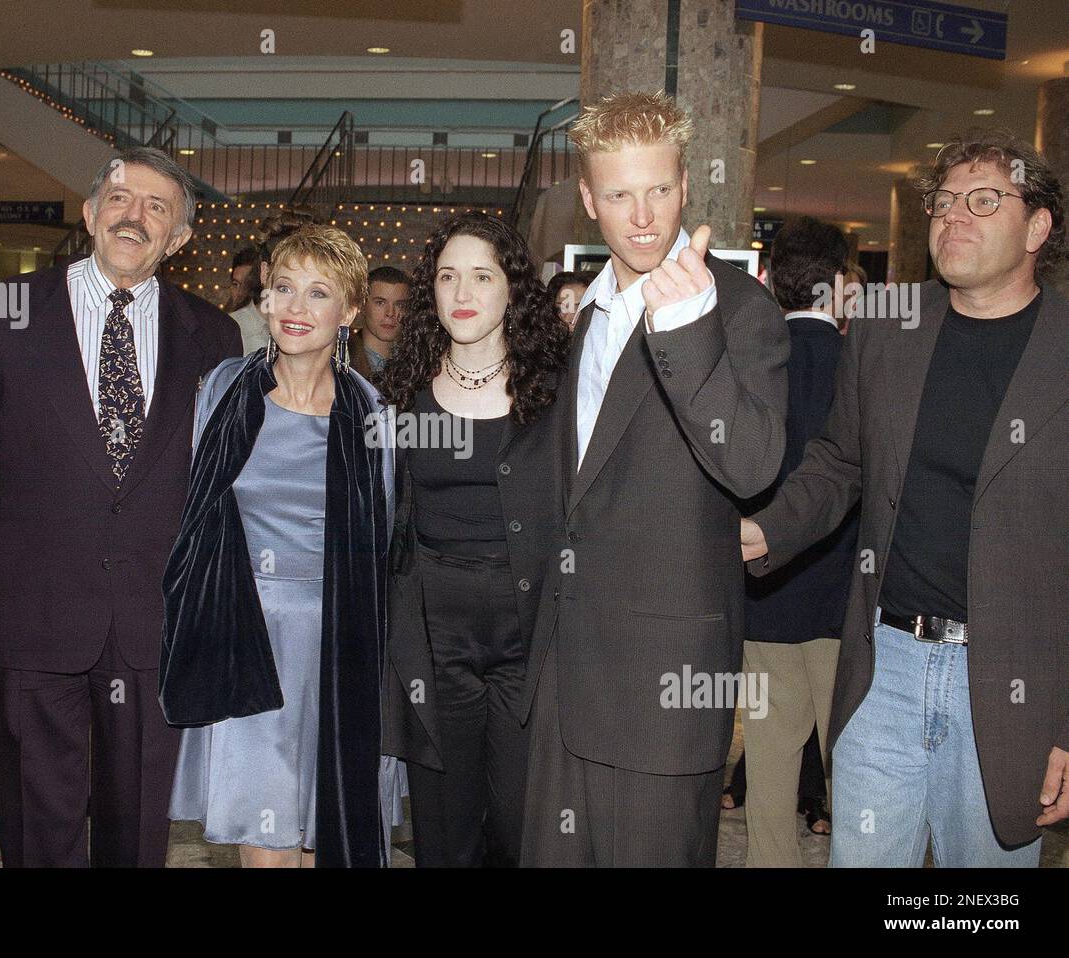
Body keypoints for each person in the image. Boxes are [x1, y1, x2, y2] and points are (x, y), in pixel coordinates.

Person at [741, 130, 1069, 866]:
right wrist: (766, 530)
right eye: (944, 201)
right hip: (883, 662)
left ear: (1037, 226)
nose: (955, 216)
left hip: (1011, 685)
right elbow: (840, 461)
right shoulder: (891, 327)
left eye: (984, 200)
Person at [518, 90, 789, 867]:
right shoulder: (588, 314)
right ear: (586, 200)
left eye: (660, 191)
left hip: (664, 690)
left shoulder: (737, 310)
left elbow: (752, 464)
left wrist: (686, 332)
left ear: (684, 187)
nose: (643, 217)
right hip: (564, 681)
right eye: (618, 195)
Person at [0, 146, 241, 867]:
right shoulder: (6, 309)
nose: (133, 216)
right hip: (35, 615)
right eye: (119, 198)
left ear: (179, 238)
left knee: (140, 825)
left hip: (154, 621)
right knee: (35, 819)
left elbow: (225, 485)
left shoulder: (214, 335)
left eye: (157, 208)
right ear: (89, 213)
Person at [163, 224, 400, 868]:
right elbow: (189, 515)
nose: (296, 309)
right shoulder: (221, 390)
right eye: (283, 288)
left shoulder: (372, 412)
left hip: (338, 640)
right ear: (264, 298)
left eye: (318, 293)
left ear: (349, 311)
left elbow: (385, 546)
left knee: (320, 832)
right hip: (243, 633)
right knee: (264, 838)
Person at [379, 211, 569, 867]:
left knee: (520, 827)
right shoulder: (400, 394)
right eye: (447, 276)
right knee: (443, 826)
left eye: (481, 277)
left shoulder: (556, 393)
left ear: (512, 288)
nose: (462, 293)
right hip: (434, 648)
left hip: (530, 646)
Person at [738, 216, 859, 866]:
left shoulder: (753, 368)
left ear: (772, 282)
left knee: (769, 767)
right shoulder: (861, 365)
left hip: (765, 595)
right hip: (844, 606)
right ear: (839, 284)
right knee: (855, 773)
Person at [349, 265, 410, 380]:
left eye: (400, 305)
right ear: (362, 305)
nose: (390, 313)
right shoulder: (342, 362)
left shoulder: (416, 364)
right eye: (380, 303)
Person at [225, 245, 266, 354]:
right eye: (235, 284)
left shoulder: (276, 326)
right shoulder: (227, 325)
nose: (240, 292)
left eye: (247, 285)